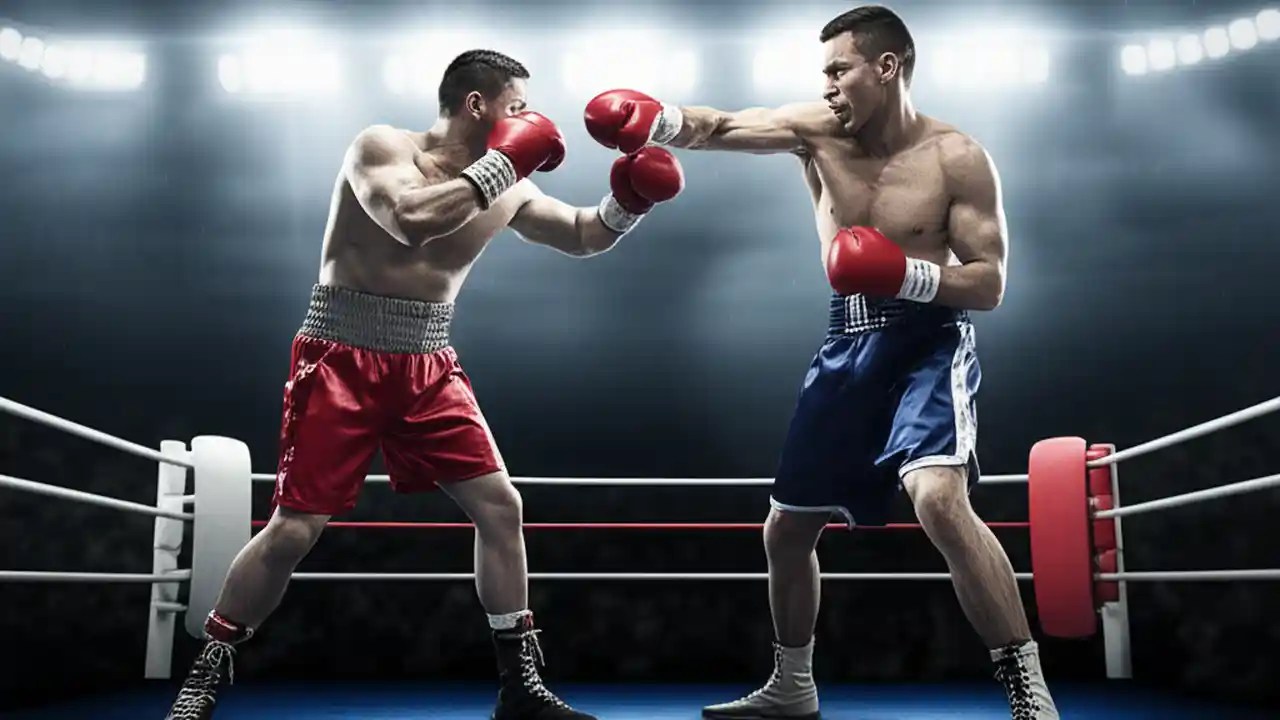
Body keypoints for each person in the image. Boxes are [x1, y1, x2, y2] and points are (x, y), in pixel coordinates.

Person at [165, 49, 685, 720]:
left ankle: (519, 685)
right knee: (296, 529)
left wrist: (629, 200)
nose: (529, 119)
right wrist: (504, 163)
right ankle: (207, 670)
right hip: (340, 354)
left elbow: (582, 235)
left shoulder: (512, 188)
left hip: (428, 361)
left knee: (502, 507)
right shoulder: (382, 147)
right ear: (479, 105)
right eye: (517, 106)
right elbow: (408, 221)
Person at [582, 6, 1057, 719]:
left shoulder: (957, 157)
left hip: (928, 340)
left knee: (936, 499)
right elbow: (719, 127)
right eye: (824, 73)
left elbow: (988, 283)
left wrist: (902, 273)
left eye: (839, 69)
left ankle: (1027, 688)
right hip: (846, 340)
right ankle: (793, 687)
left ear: (887, 67)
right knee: (787, 528)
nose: (828, 86)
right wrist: (655, 121)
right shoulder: (814, 131)